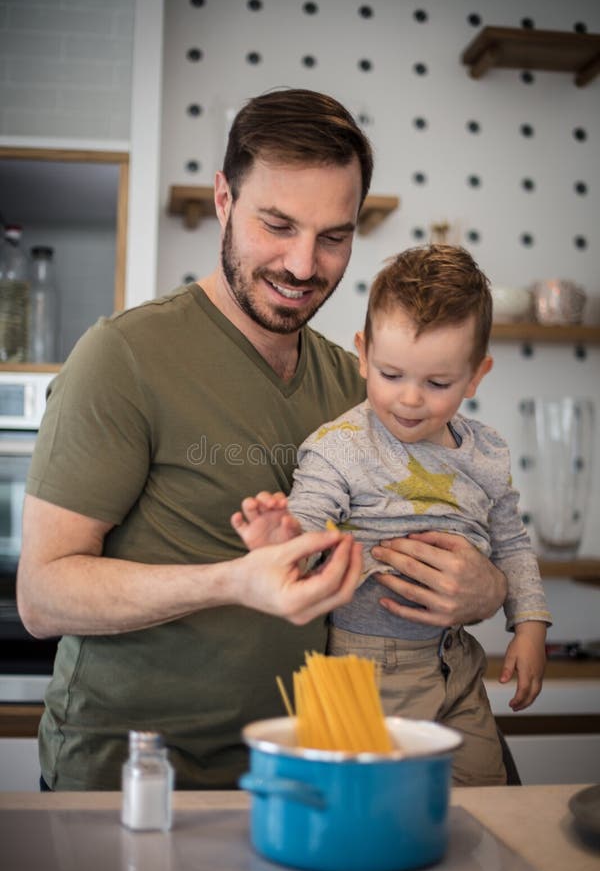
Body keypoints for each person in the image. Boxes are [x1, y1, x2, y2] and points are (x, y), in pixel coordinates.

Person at [17, 89, 507, 792]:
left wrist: (484, 588)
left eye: (334, 237)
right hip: (135, 773)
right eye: (276, 225)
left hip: (307, 763)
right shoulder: (122, 356)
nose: (304, 265)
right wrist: (232, 582)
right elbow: (42, 594)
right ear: (223, 199)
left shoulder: (359, 388)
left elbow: (440, 526)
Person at [232, 244, 552, 786]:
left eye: (438, 383)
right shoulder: (339, 446)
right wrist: (280, 539)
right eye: (391, 373)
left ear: (476, 376)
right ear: (363, 354)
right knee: (378, 808)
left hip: (459, 665)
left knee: (488, 804)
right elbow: (308, 520)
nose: (409, 399)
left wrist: (531, 626)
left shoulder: (488, 453)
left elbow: (513, 545)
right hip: (367, 673)